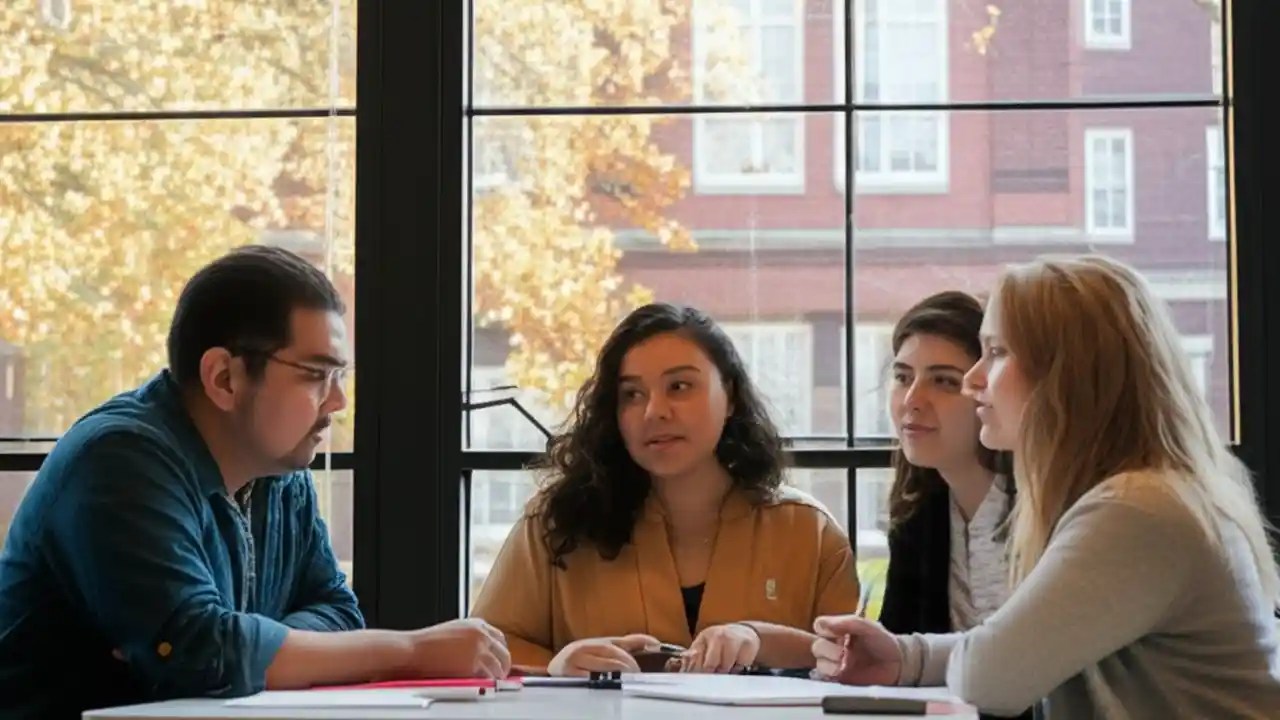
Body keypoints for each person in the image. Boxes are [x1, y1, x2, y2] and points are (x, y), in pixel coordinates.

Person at [0, 246, 510, 719]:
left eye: (340, 378)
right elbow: (200, 650)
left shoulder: (279, 470)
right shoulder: (119, 460)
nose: (337, 403)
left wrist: (248, 646)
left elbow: (337, 611)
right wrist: (411, 651)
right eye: (316, 376)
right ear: (224, 377)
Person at [812, 255, 1280, 718]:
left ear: (1067, 376)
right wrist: (905, 658)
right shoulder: (1141, 494)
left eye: (995, 353)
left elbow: (990, 676)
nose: (975, 381)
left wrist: (913, 658)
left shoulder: (1134, 511)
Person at [471, 302, 859, 676]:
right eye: (632, 394)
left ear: (731, 397)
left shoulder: (809, 533)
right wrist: (556, 668)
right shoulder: (556, 522)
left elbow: (852, 664)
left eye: (679, 386)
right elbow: (485, 649)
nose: (654, 411)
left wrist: (761, 639)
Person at [878, 292, 1015, 637]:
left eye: (943, 381)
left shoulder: (1041, 506)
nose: (912, 400)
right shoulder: (919, 510)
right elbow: (897, 649)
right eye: (903, 377)